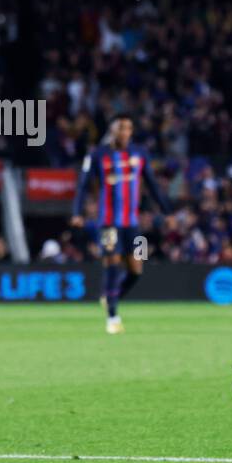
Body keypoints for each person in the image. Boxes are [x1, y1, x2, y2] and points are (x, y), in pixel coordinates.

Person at [70, 116, 169, 333]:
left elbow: (152, 184)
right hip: (106, 223)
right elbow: (83, 186)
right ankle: (112, 318)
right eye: (121, 128)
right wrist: (77, 212)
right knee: (112, 262)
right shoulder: (97, 154)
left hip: (133, 224)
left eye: (129, 128)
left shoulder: (140, 153)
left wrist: (167, 210)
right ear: (112, 130)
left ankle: (110, 297)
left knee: (137, 269)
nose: (125, 132)